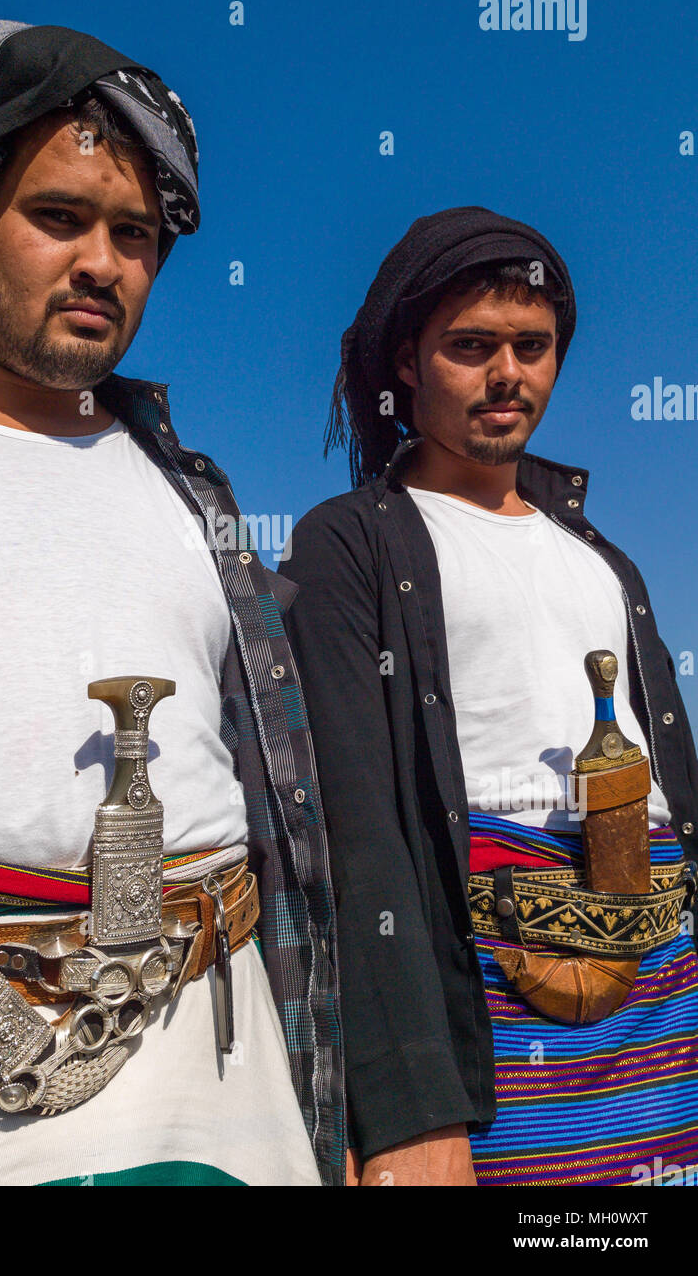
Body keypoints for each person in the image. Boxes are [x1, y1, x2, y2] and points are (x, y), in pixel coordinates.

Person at [0, 20, 343, 1188]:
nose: (103, 262)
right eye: (58, 218)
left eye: (134, 236)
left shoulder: (196, 499)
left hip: (212, 1068)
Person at [279, 206, 698, 1186]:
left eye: (532, 346)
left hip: (665, 990)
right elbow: (353, 828)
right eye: (470, 346)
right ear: (408, 363)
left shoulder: (603, 560)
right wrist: (396, 1104)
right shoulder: (349, 546)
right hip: (485, 997)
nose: (507, 373)